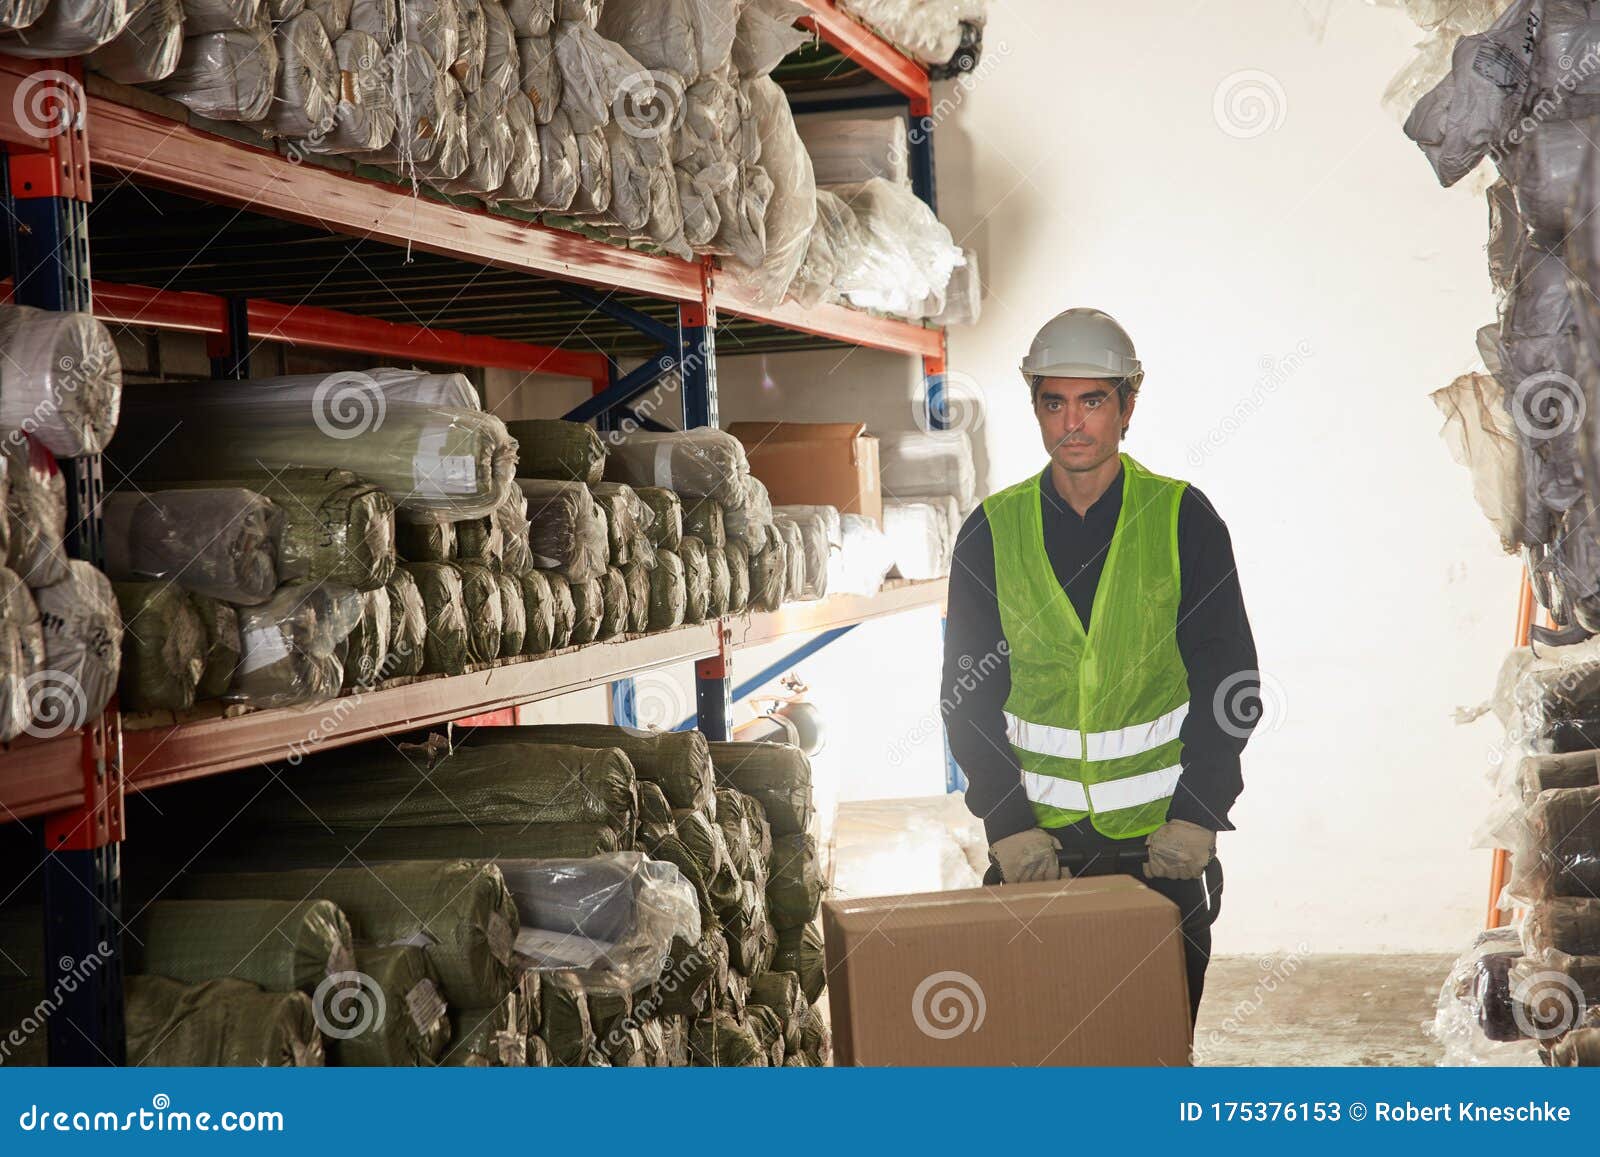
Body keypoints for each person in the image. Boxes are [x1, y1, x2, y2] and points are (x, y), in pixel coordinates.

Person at [941, 307, 1259, 1024]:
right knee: (1046, 1065)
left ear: (1127, 406)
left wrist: (1200, 812)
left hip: (1161, 855)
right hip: (1037, 855)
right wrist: (1005, 818)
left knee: (1151, 1057)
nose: (1073, 422)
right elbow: (967, 696)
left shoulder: (1183, 519)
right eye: (1055, 402)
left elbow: (1231, 682)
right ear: (1037, 409)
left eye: (1093, 401)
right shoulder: (992, 532)